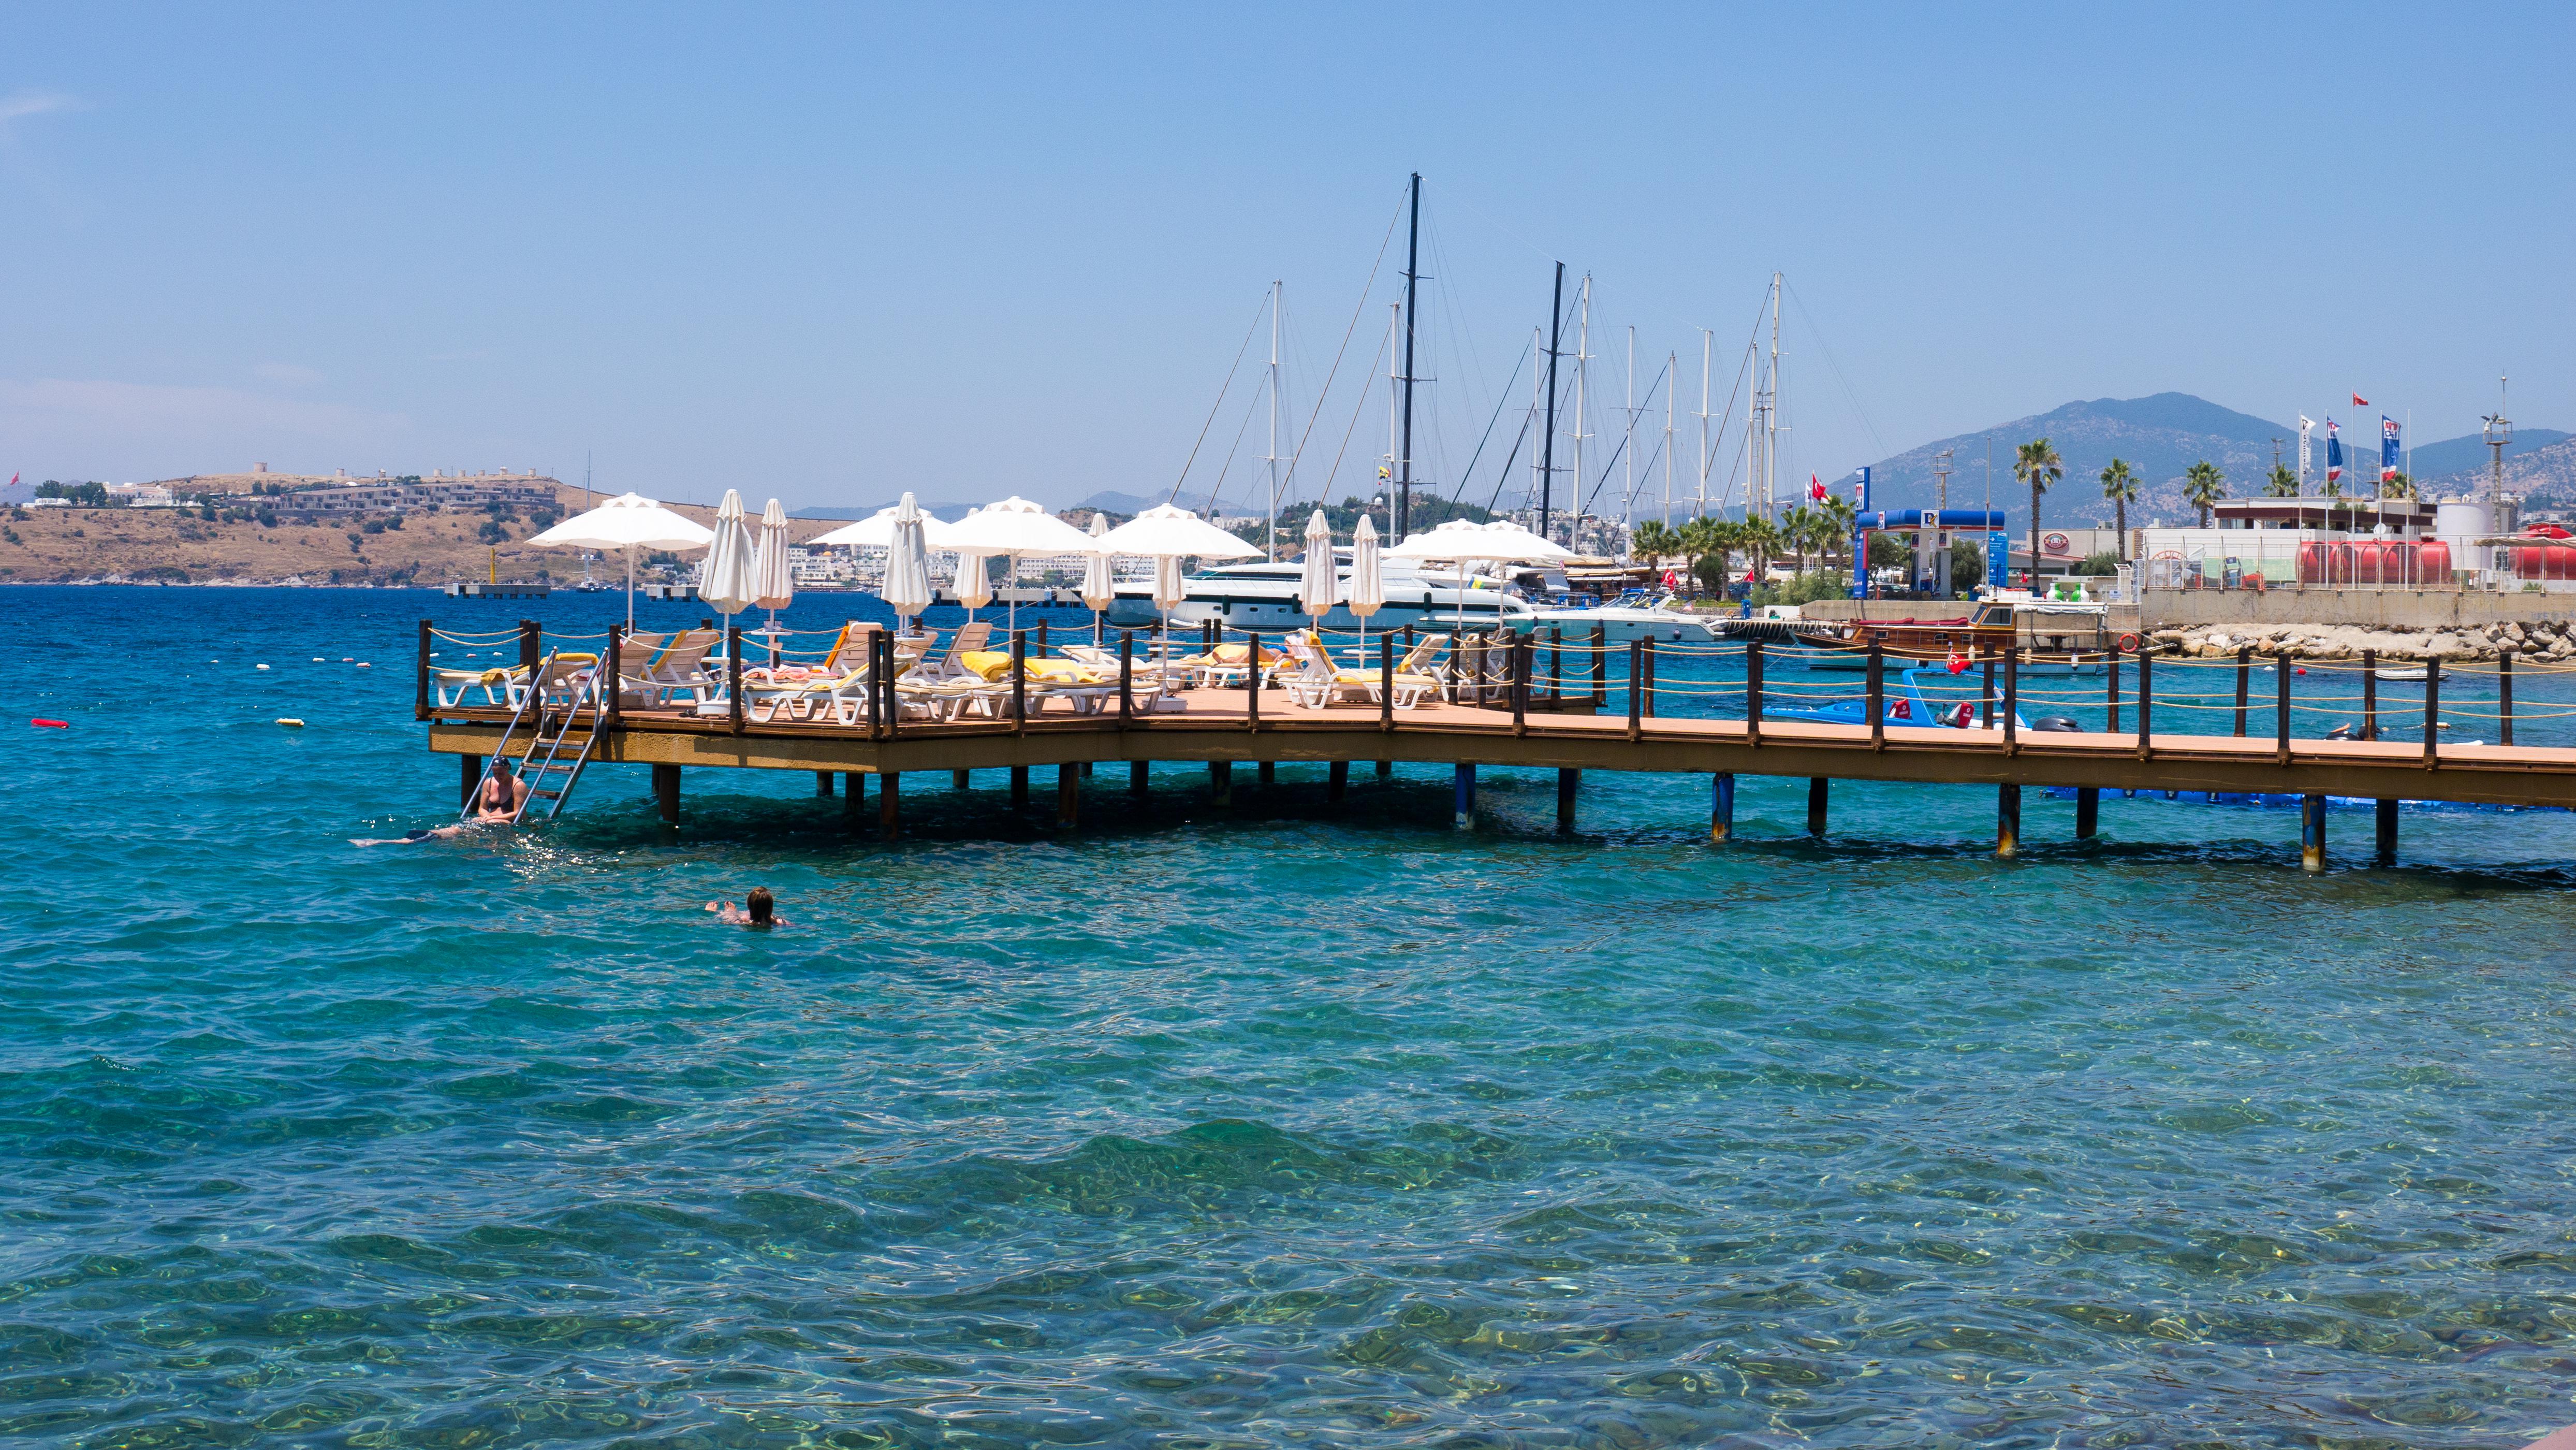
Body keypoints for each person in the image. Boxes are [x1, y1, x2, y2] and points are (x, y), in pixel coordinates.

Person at [706, 887, 787, 927]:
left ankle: (726, 912)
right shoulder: (780, 922)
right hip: (769, 923)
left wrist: (711, 912)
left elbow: (717, 923)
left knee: (731, 917)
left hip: (748, 924)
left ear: (749, 905)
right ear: (771, 907)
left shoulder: (743, 920)